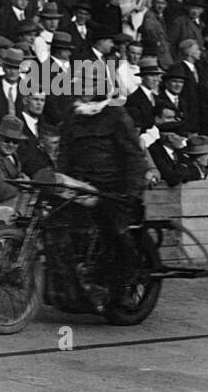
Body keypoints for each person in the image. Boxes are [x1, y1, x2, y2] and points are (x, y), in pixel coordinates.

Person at [56, 76, 155, 309]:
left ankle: (124, 286)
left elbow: (133, 156)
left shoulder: (116, 115)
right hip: (80, 186)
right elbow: (65, 151)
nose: (83, 92)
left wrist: (131, 193)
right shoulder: (74, 115)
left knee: (116, 232)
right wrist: (62, 181)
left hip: (113, 188)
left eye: (88, 88)